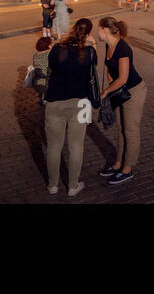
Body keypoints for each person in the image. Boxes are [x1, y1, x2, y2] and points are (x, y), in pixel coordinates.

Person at [43, 18, 96, 196]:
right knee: (76, 145)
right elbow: (93, 72)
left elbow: (49, 67)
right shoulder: (90, 52)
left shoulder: (58, 49)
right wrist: (92, 43)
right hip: (81, 103)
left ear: (73, 29)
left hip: (55, 101)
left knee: (53, 146)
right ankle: (73, 186)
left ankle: (53, 185)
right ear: (88, 34)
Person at [97, 17, 144, 185]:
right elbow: (110, 69)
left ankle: (127, 169)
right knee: (120, 128)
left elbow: (123, 78)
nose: (97, 32)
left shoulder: (123, 48)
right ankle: (118, 163)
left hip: (134, 91)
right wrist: (111, 85)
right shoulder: (108, 45)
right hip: (119, 91)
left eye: (99, 29)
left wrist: (106, 91)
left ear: (106, 30)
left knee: (130, 130)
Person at [31, 36, 52, 102]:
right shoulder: (51, 54)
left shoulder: (35, 55)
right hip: (49, 81)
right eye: (50, 44)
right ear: (48, 45)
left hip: (38, 82)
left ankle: (42, 94)